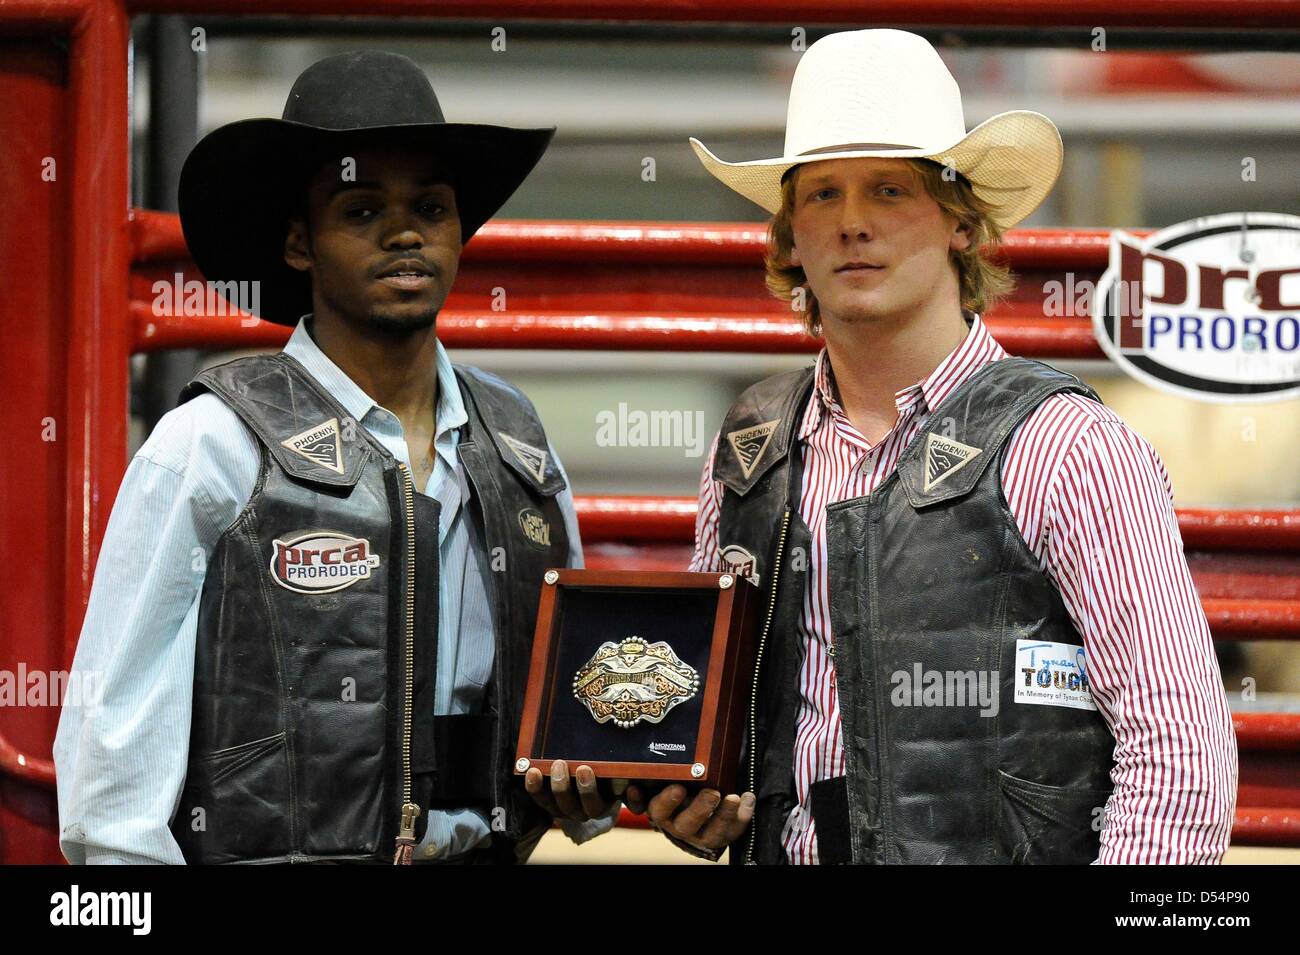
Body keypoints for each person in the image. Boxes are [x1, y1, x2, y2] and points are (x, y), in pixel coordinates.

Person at [631, 29, 1238, 864]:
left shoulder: (1069, 446)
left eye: (888, 189)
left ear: (960, 219)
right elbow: (722, 734)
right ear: (790, 235)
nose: (852, 224)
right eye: (820, 195)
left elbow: (1182, 761)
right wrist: (694, 803)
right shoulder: (749, 452)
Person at [53, 50, 618, 865]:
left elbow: (571, 711)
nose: (404, 231)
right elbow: (113, 762)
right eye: (361, 210)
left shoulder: (519, 443)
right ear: (297, 243)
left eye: (431, 205)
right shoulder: (213, 443)